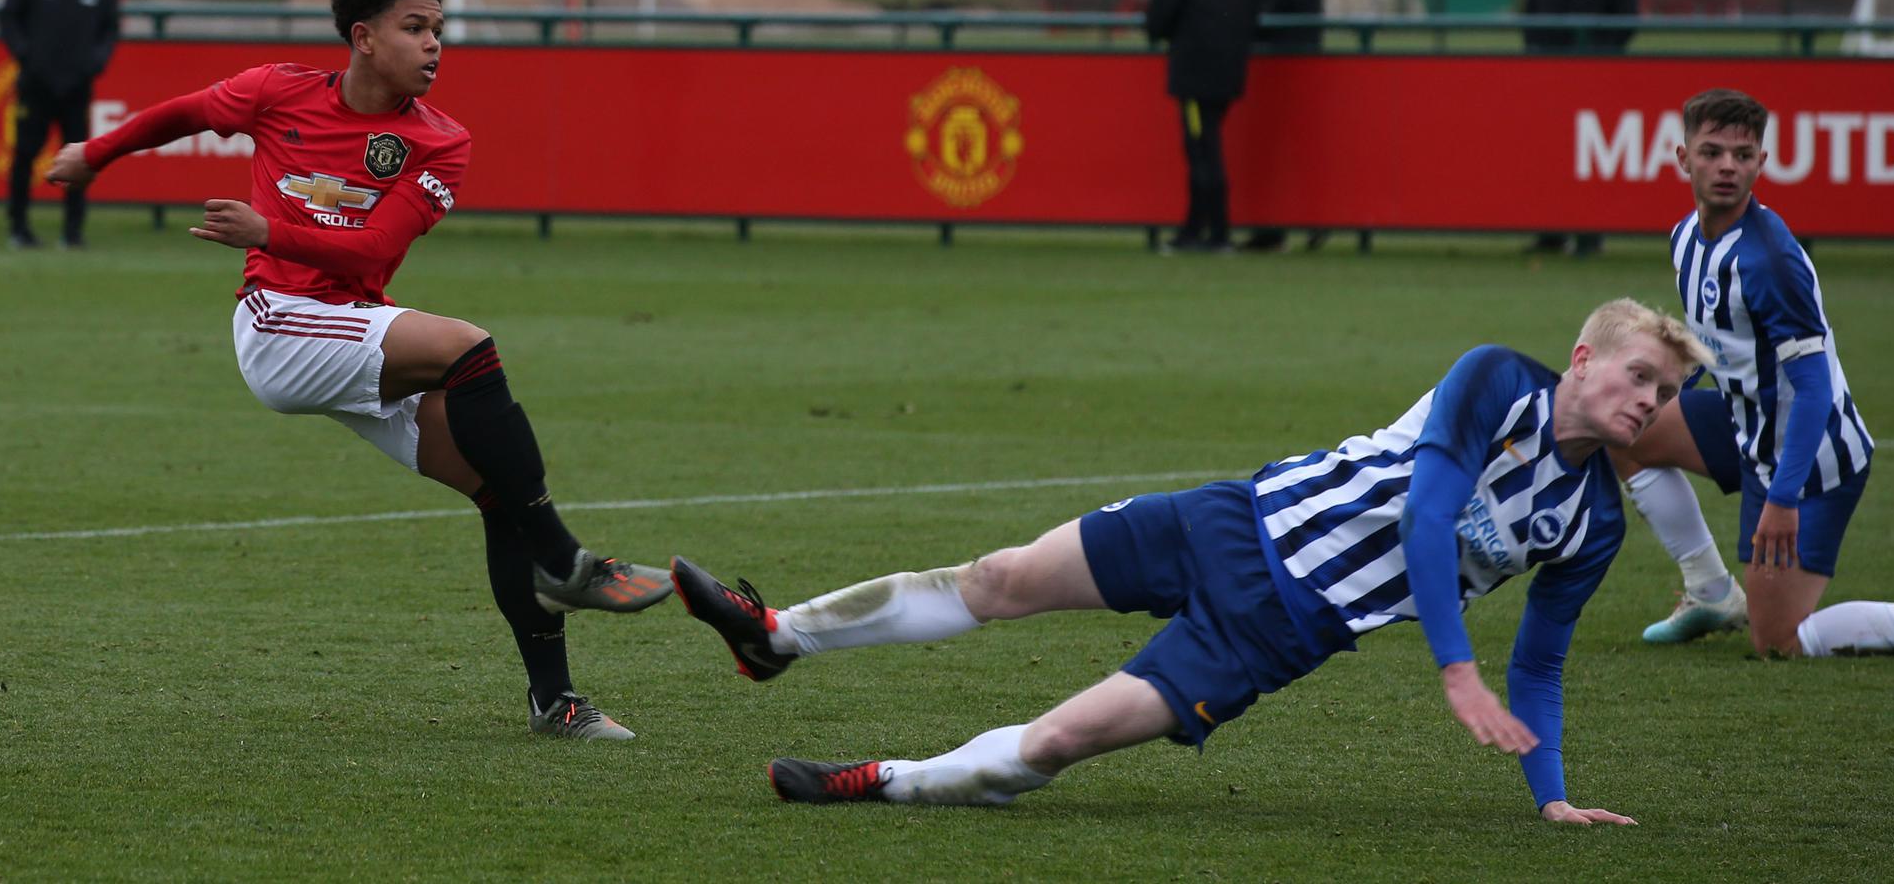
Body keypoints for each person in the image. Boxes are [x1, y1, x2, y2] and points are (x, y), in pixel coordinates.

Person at [671, 298, 1709, 822]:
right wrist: (1452, 667)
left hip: (1276, 629)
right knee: (999, 579)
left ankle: (883, 781)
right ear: (1583, 359)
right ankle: (775, 636)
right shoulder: (1494, 381)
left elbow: (1540, 666)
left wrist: (1551, 794)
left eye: (1664, 395)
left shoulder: (1593, 525)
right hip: (1232, 518)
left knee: (1061, 740)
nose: (1648, 405)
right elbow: (1430, 513)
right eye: (1639, 377)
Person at [44, 0, 673, 738]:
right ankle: (569, 560)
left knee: (497, 492)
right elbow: (186, 112)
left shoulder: (443, 141)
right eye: (416, 28)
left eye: (440, 29)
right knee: (469, 346)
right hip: (278, 322)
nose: (435, 44)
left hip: (352, 329)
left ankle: (555, 701)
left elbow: (374, 253)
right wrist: (93, 154)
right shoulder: (279, 92)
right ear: (364, 37)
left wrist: (270, 225)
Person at [1610, 88, 1894, 658]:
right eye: (1713, 151)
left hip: (1812, 461)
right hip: (1741, 423)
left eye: (1743, 155)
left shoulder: (1769, 261)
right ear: (1683, 158)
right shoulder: (1685, 239)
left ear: (1761, 164)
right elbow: (1712, 345)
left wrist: (1783, 497)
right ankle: (1709, 592)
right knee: (1620, 431)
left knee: (1778, 643)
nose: (1728, 166)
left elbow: (1816, 387)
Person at [0, 0, 119, 249]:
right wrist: (25, 55)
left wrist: (96, 61)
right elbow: (9, 17)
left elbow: (110, 27)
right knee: (24, 154)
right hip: (36, 84)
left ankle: (73, 231)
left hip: (77, 86)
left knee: (80, 160)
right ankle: (18, 227)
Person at [1523, 0, 1638, 258]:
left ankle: (1590, 234)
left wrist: (1601, 60)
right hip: (1547, 84)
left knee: (1589, 159)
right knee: (1546, 157)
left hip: (1595, 85)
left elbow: (1626, 22)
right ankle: (1549, 231)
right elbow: (1529, 20)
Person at [1144, 0, 1259, 254]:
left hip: (1193, 78)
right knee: (1210, 146)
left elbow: (1157, 22)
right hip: (1229, 75)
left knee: (1202, 152)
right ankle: (1213, 231)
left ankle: (1204, 232)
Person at [1236, 0, 1333, 254]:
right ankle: (1308, 219)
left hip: (1284, 50)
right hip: (1304, 45)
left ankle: (1275, 227)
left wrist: (1258, 23)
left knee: (1277, 140)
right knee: (1298, 138)